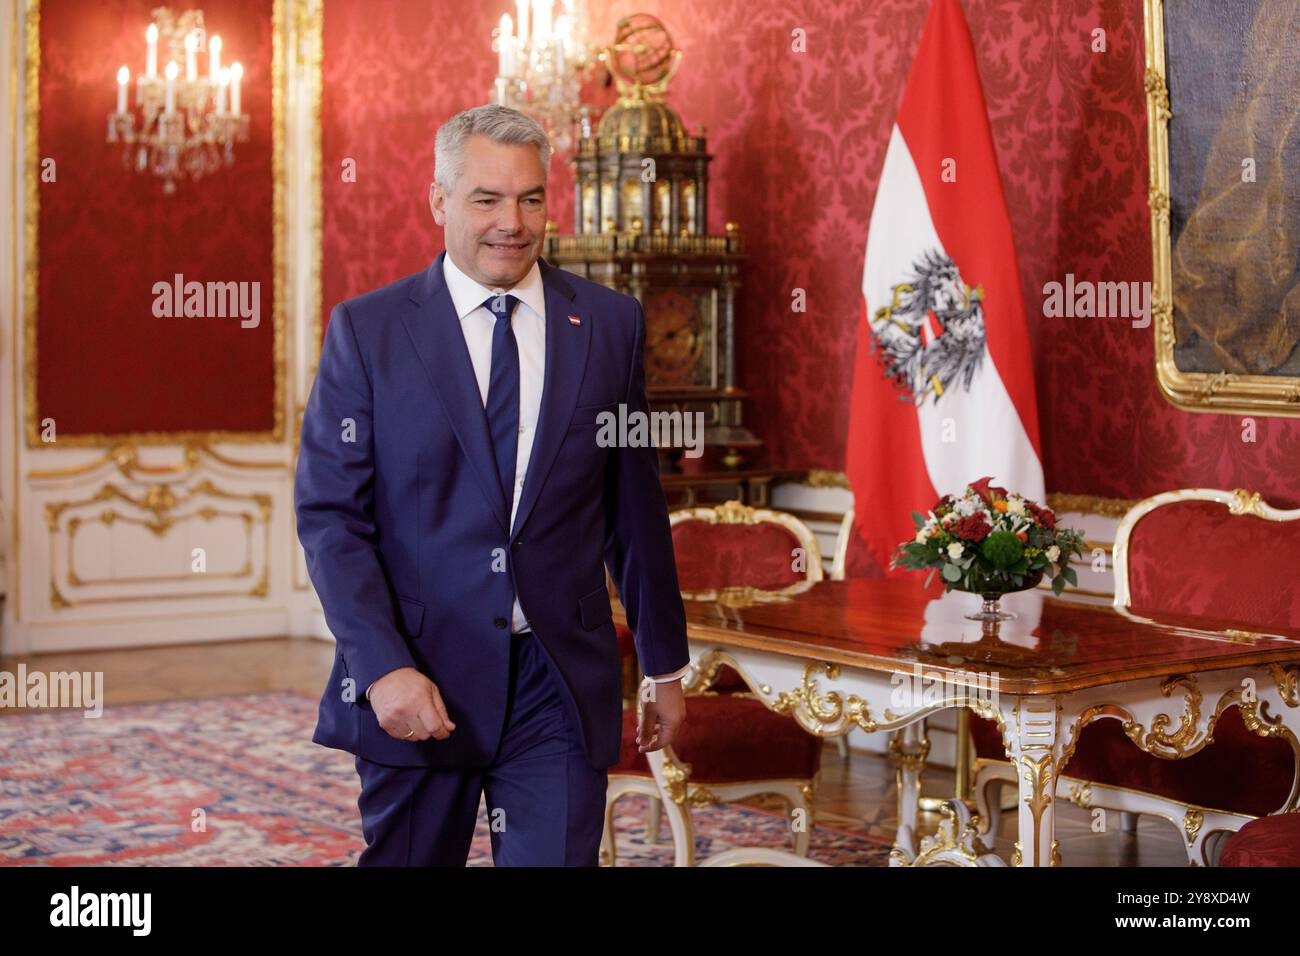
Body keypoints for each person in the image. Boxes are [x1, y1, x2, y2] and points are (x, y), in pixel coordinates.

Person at [294, 104, 690, 866]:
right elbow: (331, 520)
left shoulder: (610, 326)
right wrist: (383, 668)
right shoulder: (368, 332)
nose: (513, 222)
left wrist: (663, 664)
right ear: (440, 201)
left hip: (559, 682)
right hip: (421, 672)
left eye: (531, 198)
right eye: (487, 199)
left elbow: (634, 512)